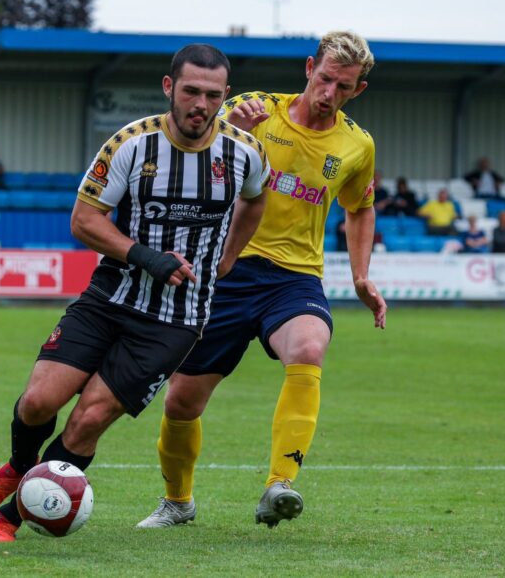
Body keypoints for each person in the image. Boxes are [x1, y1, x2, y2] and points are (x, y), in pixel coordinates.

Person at [0, 44, 270, 542]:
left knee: (88, 420)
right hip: (110, 296)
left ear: (225, 95)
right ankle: (18, 467)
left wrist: (229, 256)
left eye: (213, 95)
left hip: (175, 320)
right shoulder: (131, 144)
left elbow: (256, 201)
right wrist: (148, 258)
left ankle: (9, 518)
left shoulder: (245, 152)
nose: (200, 104)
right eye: (191, 91)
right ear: (169, 87)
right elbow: (84, 220)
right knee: (38, 401)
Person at [136, 30, 387, 530]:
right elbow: (188, 153)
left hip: (295, 277)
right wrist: (227, 130)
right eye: (325, 79)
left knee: (309, 346)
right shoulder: (252, 109)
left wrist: (361, 275)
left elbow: (360, 208)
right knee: (182, 400)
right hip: (226, 268)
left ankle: (280, 484)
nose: (329, 93)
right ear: (309, 67)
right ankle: (178, 501)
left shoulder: (357, 146)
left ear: (358, 89)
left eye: (343, 87)